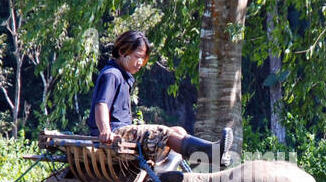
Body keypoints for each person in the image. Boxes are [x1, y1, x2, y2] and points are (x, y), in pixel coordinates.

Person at [87, 29, 232, 169]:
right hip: (115, 133)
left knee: (179, 131)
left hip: (123, 131)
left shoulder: (123, 77)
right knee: (162, 132)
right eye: (138, 56)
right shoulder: (112, 74)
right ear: (122, 51)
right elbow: (102, 104)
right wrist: (105, 130)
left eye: (143, 59)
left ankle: (164, 171)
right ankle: (213, 153)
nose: (140, 62)